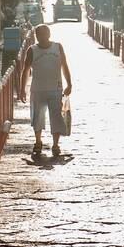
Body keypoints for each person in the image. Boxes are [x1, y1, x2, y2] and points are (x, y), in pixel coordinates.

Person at [17, 24, 73, 158]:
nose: (42, 37)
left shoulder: (57, 47)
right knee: (37, 117)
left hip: (56, 88)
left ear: (49, 35)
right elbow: (25, 70)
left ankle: (55, 144)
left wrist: (69, 83)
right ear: (36, 36)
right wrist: (22, 89)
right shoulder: (32, 50)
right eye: (39, 35)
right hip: (38, 90)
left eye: (44, 34)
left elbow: (64, 65)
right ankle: (38, 141)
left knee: (56, 117)